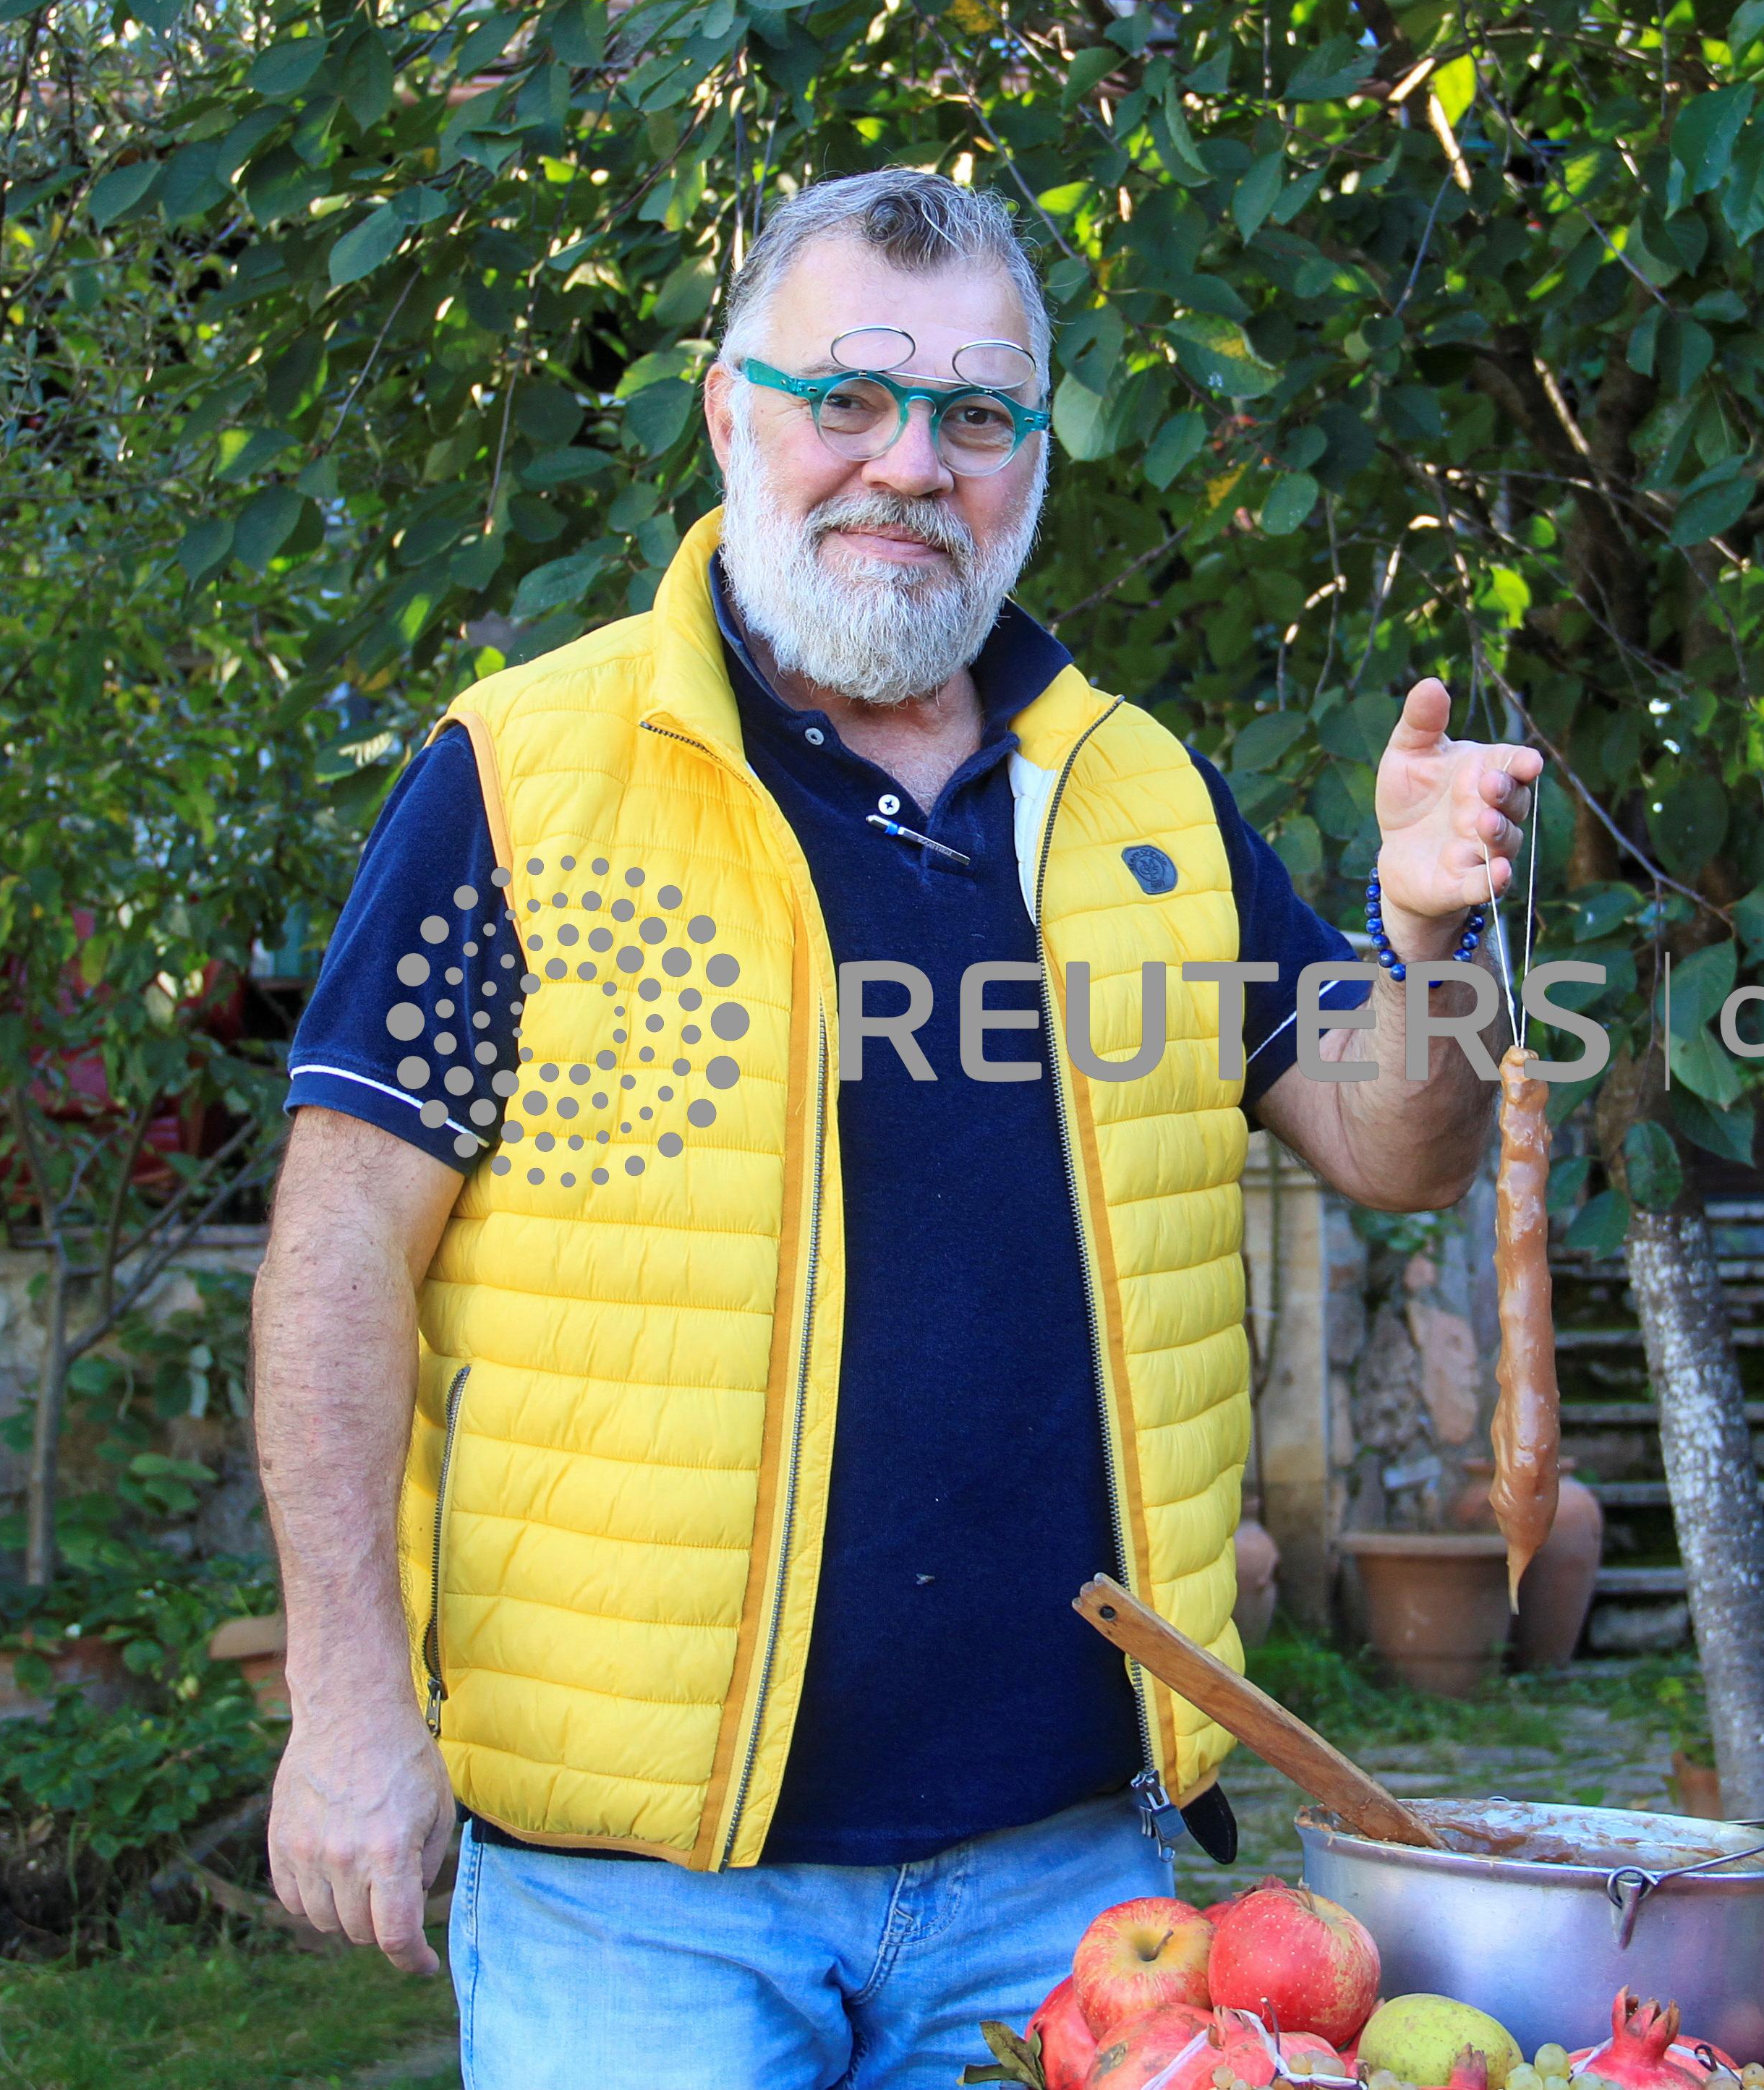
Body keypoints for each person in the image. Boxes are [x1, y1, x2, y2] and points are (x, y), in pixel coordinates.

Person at [250, 168, 1540, 2090]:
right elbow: (339, 1250)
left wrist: (1427, 946)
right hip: (641, 1908)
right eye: (846, 398)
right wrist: (347, 1704)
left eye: (974, 414)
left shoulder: (1139, 800)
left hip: (1081, 1892)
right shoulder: (524, 780)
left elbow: (1398, 1148)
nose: (905, 464)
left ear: (1035, 450)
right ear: (727, 414)